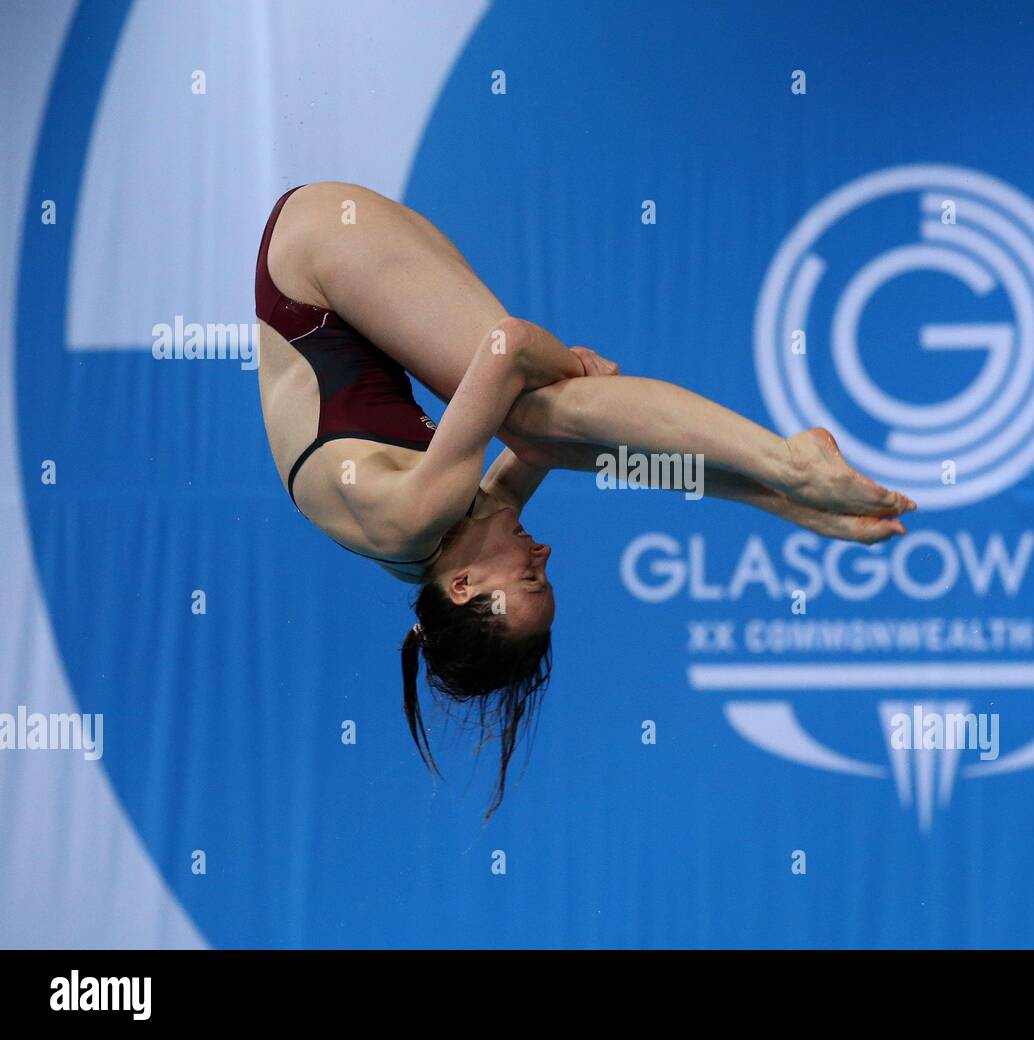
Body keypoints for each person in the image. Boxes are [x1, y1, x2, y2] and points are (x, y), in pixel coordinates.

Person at [255, 181, 916, 816]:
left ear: (461, 586)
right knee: (545, 426)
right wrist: (765, 500)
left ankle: (789, 460)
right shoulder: (443, 542)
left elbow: (509, 345)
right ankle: (782, 490)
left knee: (534, 413)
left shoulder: (416, 514)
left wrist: (567, 369)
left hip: (313, 257)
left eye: (527, 574)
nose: (543, 551)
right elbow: (570, 452)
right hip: (338, 283)